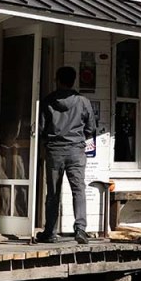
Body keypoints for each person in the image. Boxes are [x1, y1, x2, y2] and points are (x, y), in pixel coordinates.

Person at [37, 66, 97, 244]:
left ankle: (50, 232)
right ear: (74, 80)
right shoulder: (83, 101)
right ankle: (80, 229)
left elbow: (40, 128)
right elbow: (91, 128)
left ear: (57, 79)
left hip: (55, 150)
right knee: (78, 190)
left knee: (53, 193)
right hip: (76, 151)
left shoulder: (48, 101)